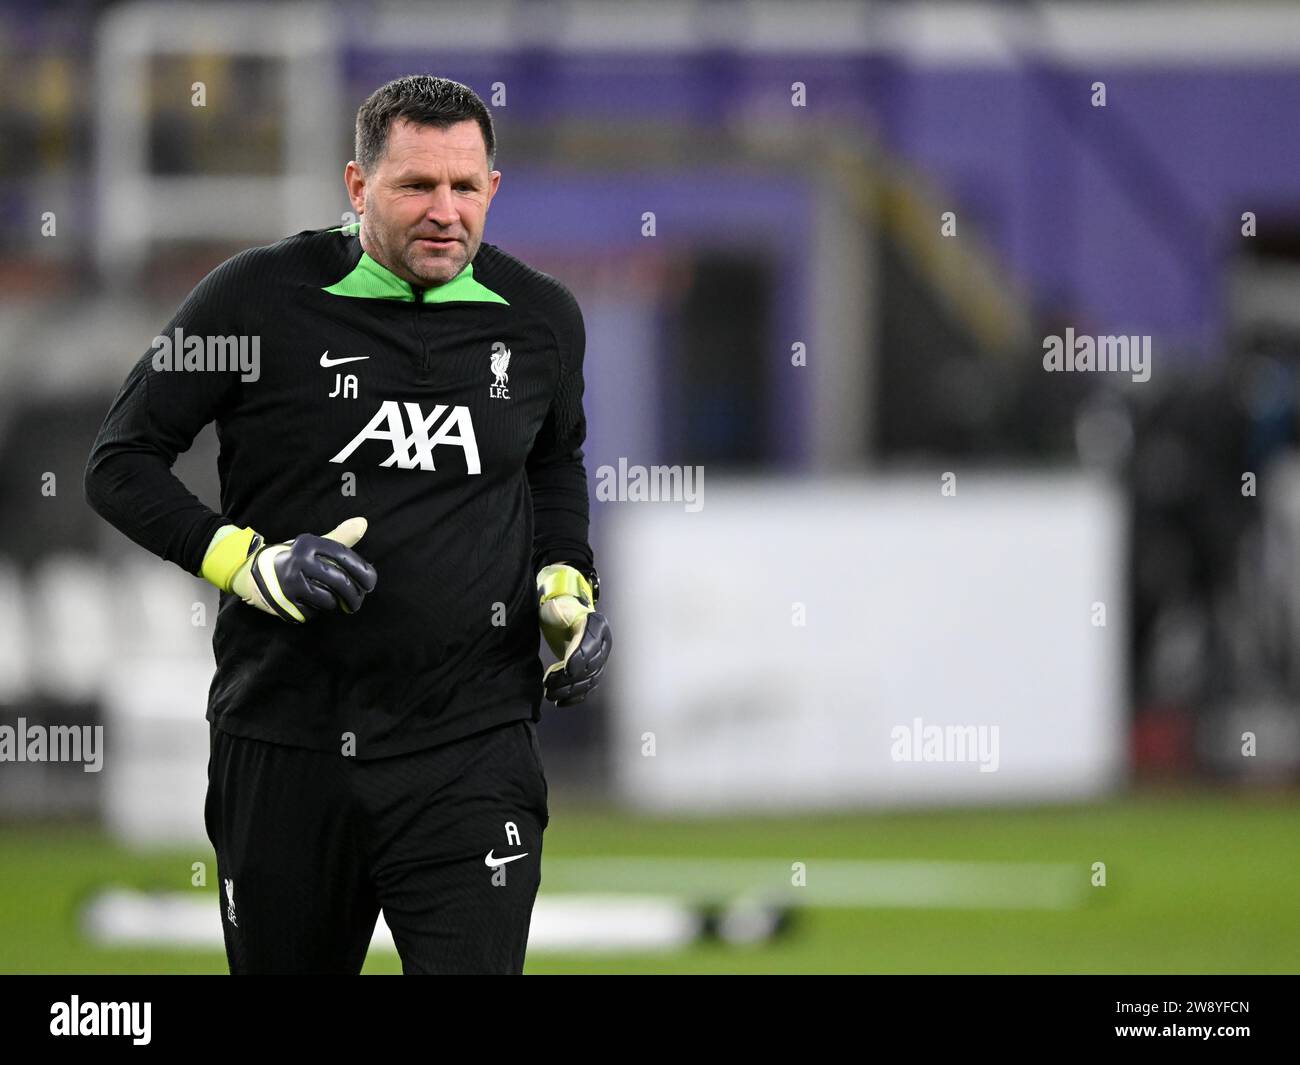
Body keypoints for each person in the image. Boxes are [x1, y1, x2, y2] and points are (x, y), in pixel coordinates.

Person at [83, 74, 612, 975]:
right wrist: (248, 565)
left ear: (493, 188)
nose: (445, 210)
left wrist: (564, 583)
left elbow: (554, 461)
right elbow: (119, 463)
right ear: (358, 188)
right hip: (287, 744)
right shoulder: (254, 299)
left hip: (470, 747)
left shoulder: (543, 323)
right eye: (416, 186)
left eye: (465, 186)